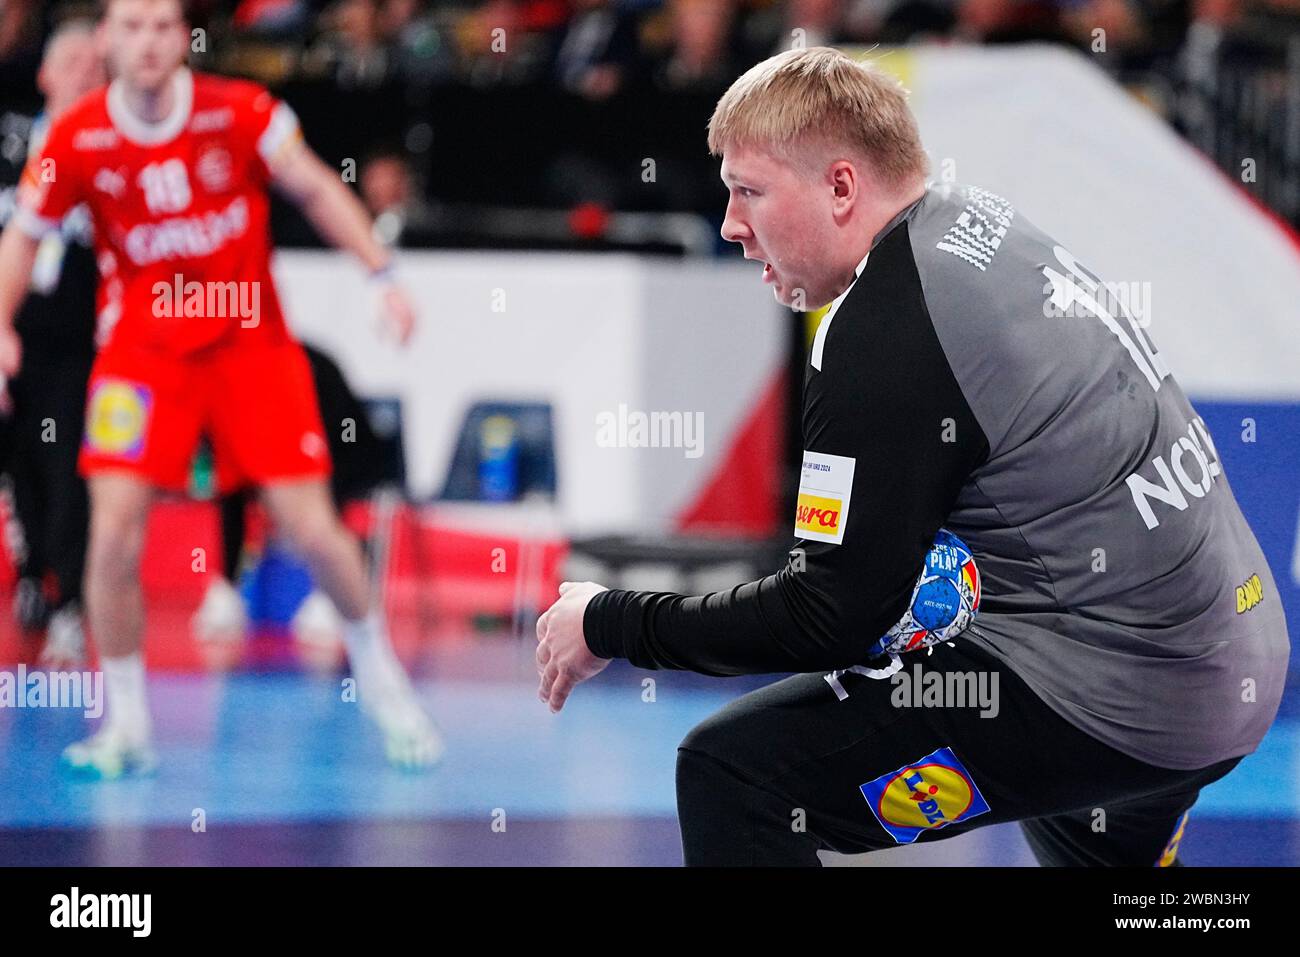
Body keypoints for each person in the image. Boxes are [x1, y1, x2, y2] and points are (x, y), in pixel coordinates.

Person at [534, 46, 1290, 866]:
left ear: (841, 187)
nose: (730, 225)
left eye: (748, 191)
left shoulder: (887, 327)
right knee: (1081, 806)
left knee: (735, 774)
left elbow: (825, 617)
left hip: (1126, 687)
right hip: (1230, 647)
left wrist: (609, 621)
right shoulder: (982, 224)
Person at [0, 0, 441, 776]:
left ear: (185, 37)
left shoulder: (242, 112)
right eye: (131, 27)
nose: (147, 43)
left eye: (163, 27)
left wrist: (383, 273)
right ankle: (127, 724)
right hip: (141, 353)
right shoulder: (74, 137)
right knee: (110, 534)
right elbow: (23, 235)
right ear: (106, 38)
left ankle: (383, 680)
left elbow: (312, 187)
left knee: (312, 528)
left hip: (250, 345)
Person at [0, 17, 104, 669]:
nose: (88, 78)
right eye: (76, 67)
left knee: (67, 464)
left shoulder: (107, 149)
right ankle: (35, 575)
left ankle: (69, 603)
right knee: (19, 461)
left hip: (75, 334)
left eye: (98, 69)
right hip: (12, 325)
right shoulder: (13, 145)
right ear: (45, 75)